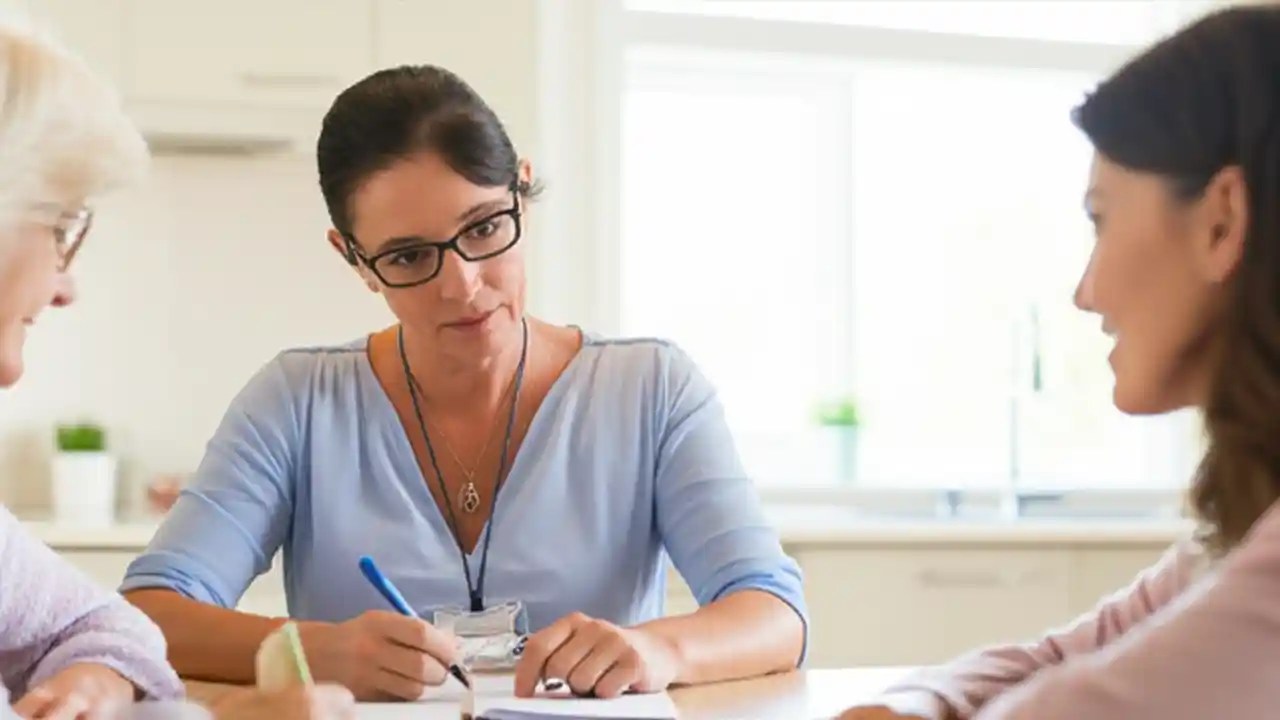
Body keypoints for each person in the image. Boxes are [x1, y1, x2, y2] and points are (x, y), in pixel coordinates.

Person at [121, 64, 808, 702]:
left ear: (522, 197)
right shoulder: (297, 402)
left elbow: (775, 613)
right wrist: (307, 649)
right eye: (410, 255)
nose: (463, 285)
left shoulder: (652, 390)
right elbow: (148, 611)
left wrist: (659, 650)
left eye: (483, 228)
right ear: (354, 259)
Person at [839, 5, 1280, 720]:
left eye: (1102, 220)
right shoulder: (1238, 529)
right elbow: (1054, 658)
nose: (1085, 293)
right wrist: (917, 706)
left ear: (1222, 219)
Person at [0, 20, 355, 720]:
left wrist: (98, 678)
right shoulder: (297, 394)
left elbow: (113, 629)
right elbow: (159, 605)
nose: (67, 285)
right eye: (61, 224)